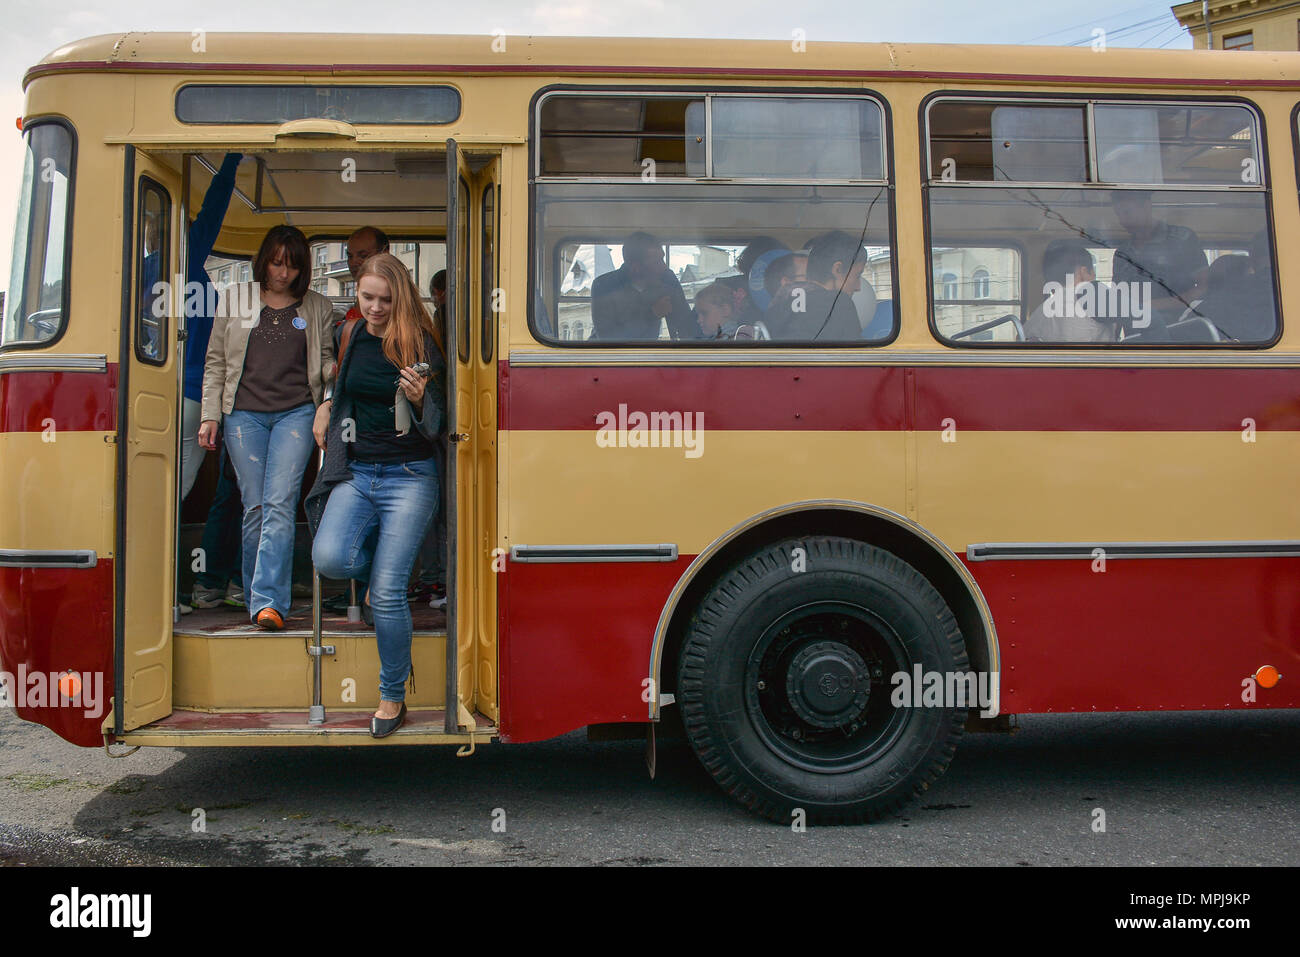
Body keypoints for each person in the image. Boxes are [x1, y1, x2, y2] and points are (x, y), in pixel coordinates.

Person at [306, 253, 446, 737]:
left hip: (410, 475)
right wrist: (326, 406)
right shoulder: (352, 334)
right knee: (329, 559)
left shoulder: (420, 341)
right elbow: (343, 389)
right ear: (358, 293)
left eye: (386, 299)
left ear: (401, 297)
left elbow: (441, 421)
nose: (376, 308)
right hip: (359, 472)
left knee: (387, 595)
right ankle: (377, 573)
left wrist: (418, 397)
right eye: (367, 297)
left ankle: (392, 697)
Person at [198, 225, 336, 630]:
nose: (282, 273)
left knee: (279, 503)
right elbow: (217, 361)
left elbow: (326, 363)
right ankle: (257, 595)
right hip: (242, 414)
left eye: (292, 266)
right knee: (254, 506)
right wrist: (209, 415)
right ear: (264, 260)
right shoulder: (237, 297)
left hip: (296, 412)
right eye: (276, 263)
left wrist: (334, 384)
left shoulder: (317, 306)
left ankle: (267, 603)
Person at [180, 153, 243, 500]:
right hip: (194, 388)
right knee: (184, 474)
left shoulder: (141, 273)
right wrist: (232, 159)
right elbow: (212, 210)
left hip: (149, 385)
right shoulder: (187, 262)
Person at [408, 269, 449, 609]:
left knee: (439, 510)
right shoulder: (432, 327)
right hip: (435, 424)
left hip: (432, 425)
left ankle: (434, 578)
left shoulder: (434, 326)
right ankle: (436, 578)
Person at [1111, 190, 1206, 332]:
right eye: (1118, 215)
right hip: (1135, 340)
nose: (1122, 221)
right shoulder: (1122, 253)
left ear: (1147, 206)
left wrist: (1150, 305)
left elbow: (1203, 289)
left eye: (1127, 213)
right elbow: (1118, 301)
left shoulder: (1182, 239)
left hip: (1178, 335)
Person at [590, 232, 695, 340]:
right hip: (603, 355)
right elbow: (608, 338)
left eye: (662, 259)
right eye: (657, 262)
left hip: (649, 354)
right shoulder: (604, 286)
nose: (664, 267)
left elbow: (687, 327)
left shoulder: (667, 279)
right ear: (636, 268)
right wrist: (652, 314)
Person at [767, 231, 864, 341]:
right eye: (857, 275)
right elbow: (854, 354)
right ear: (838, 269)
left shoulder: (779, 302)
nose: (858, 287)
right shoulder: (839, 303)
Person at [1022, 239, 1119, 343]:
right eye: (1093, 272)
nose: (1094, 277)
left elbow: (1020, 341)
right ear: (1084, 272)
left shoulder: (1039, 314)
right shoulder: (1094, 300)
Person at [333, 226, 390, 346]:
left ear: (384, 253)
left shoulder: (400, 293)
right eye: (350, 256)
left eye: (363, 256)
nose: (353, 262)